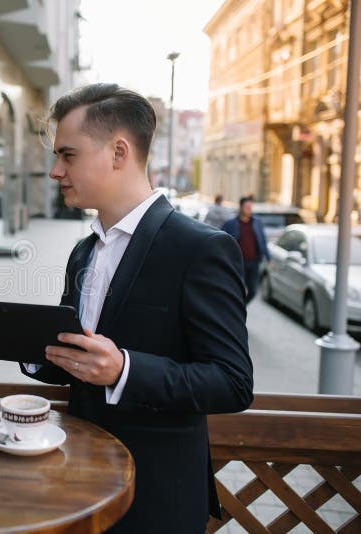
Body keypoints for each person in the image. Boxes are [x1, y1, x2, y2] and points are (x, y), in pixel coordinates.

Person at [21, 84, 254, 533]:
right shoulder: (83, 251)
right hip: (79, 482)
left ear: (119, 152)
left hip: (157, 498)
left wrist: (125, 369)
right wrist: (32, 345)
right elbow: (82, 362)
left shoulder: (202, 248)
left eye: (67, 155)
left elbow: (233, 382)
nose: (55, 171)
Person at [221, 196, 270, 303]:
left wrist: (268, 257)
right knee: (238, 290)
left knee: (253, 290)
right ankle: (235, 310)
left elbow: (262, 240)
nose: (249, 209)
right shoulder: (230, 224)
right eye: (247, 207)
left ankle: (240, 308)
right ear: (241, 207)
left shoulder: (257, 222)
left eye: (250, 207)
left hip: (254, 262)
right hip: (238, 263)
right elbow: (222, 241)